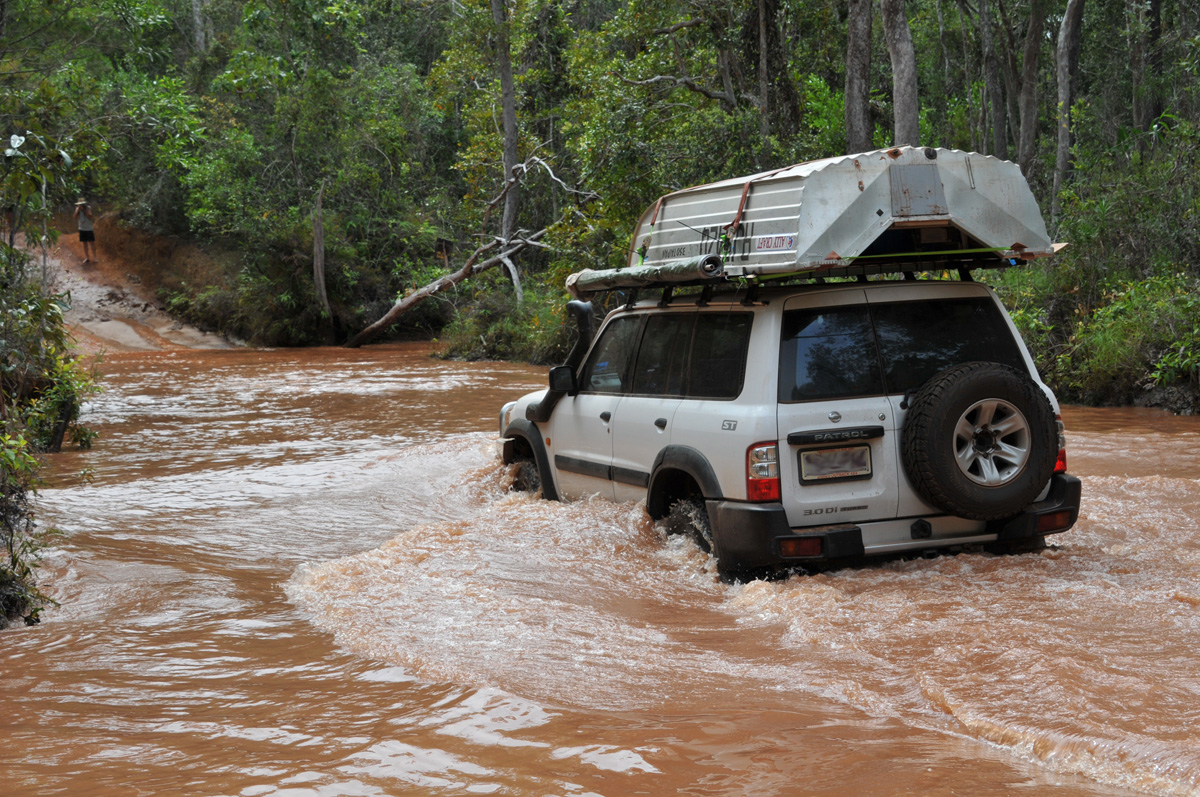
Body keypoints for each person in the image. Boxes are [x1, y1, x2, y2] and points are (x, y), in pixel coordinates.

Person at [73, 197, 96, 263]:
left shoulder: (88, 208)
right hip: (82, 228)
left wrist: (83, 210)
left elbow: (90, 216)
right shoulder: (77, 209)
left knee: (92, 243)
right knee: (84, 244)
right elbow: (75, 217)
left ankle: (94, 257)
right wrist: (77, 211)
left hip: (89, 228)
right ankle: (87, 257)